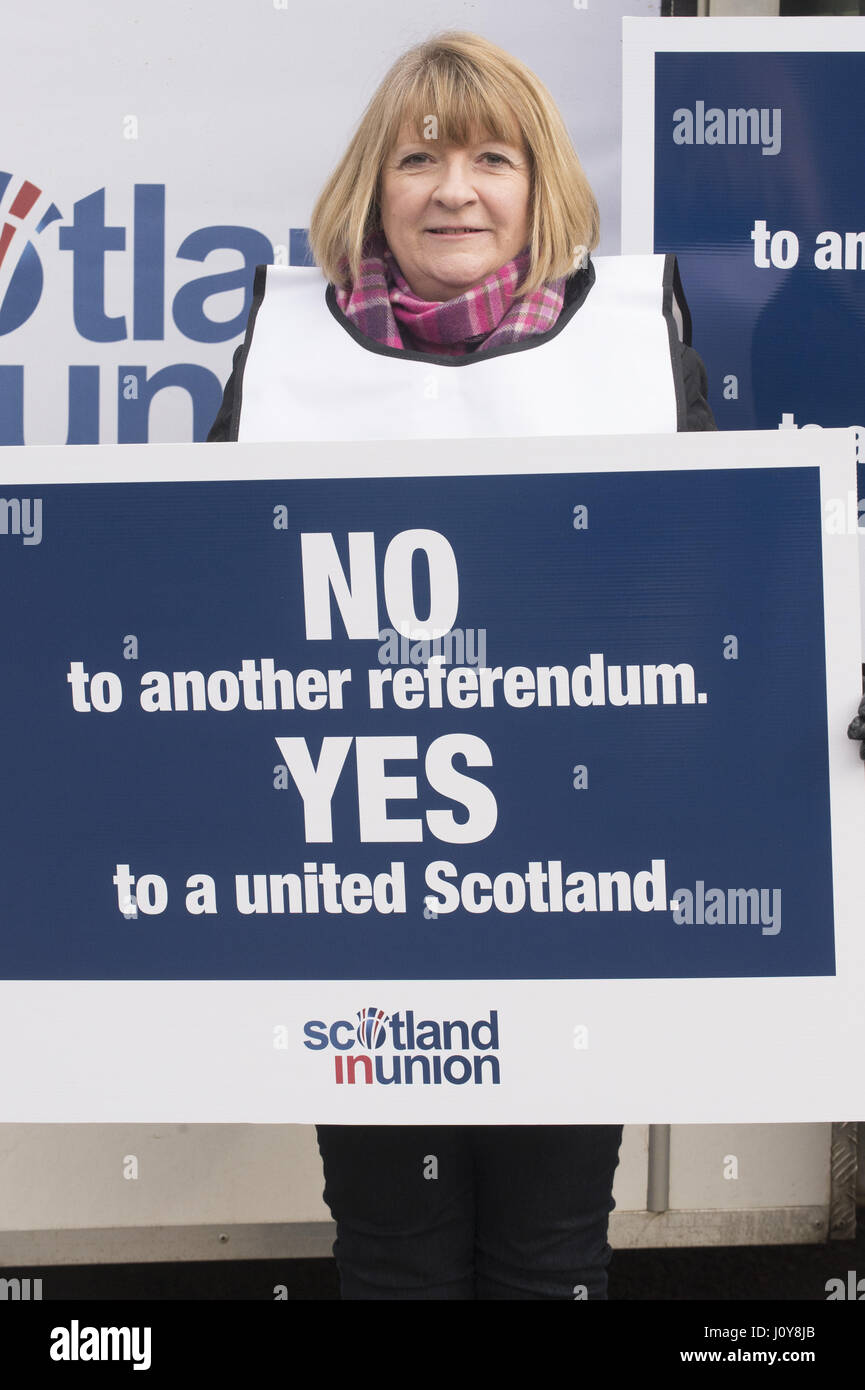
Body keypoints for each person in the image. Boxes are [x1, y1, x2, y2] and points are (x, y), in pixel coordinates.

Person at [208, 31, 714, 1300]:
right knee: (391, 1257)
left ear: (539, 186)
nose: (455, 189)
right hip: (363, 910)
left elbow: (721, 606)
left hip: (577, 898)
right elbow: (208, 616)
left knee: (549, 1257)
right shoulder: (285, 359)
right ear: (371, 188)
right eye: (419, 157)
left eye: (493, 157)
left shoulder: (634, 350)